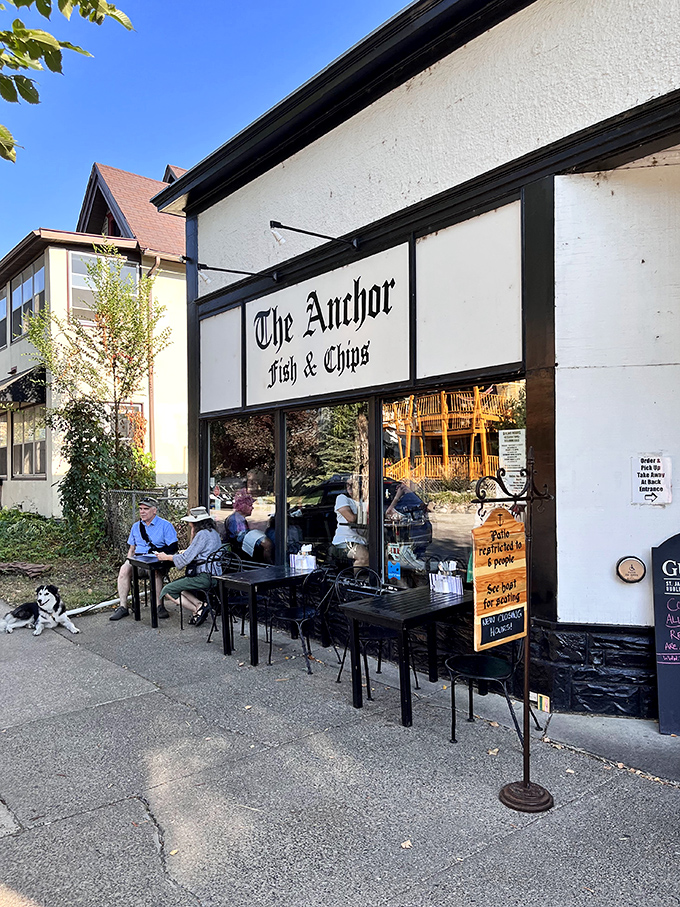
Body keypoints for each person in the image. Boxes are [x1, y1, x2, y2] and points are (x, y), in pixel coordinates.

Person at [110, 498, 179, 621]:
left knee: (156, 572)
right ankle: (123, 607)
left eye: (146, 509)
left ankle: (159, 606)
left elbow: (173, 548)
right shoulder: (136, 527)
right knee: (124, 569)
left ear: (154, 511)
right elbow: (132, 549)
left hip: (156, 561)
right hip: (138, 560)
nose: (142, 512)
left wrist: (161, 556)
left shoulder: (165, 525)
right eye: (140, 509)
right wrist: (128, 561)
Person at [155, 506, 223, 625]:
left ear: (196, 522)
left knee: (167, 590)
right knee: (179, 586)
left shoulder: (202, 534)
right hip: (216, 575)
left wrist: (165, 557)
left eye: (191, 523)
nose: (189, 524)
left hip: (204, 576)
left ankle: (198, 608)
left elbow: (185, 558)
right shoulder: (214, 533)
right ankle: (199, 605)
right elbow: (201, 552)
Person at [225, 490, 274, 563]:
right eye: (250, 505)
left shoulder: (238, 518)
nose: (252, 508)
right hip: (240, 552)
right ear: (243, 506)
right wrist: (258, 539)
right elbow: (240, 538)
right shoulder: (235, 519)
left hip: (241, 549)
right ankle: (269, 564)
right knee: (267, 544)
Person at [331, 476, 369, 566]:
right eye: (348, 485)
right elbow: (351, 518)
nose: (349, 487)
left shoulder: (363, 501)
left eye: (353, 485)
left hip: (363, 540)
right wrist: (367, 515)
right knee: (364, 557)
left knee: (385, 556)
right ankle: (357, 579)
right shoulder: (342, 498)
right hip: (345, 541)